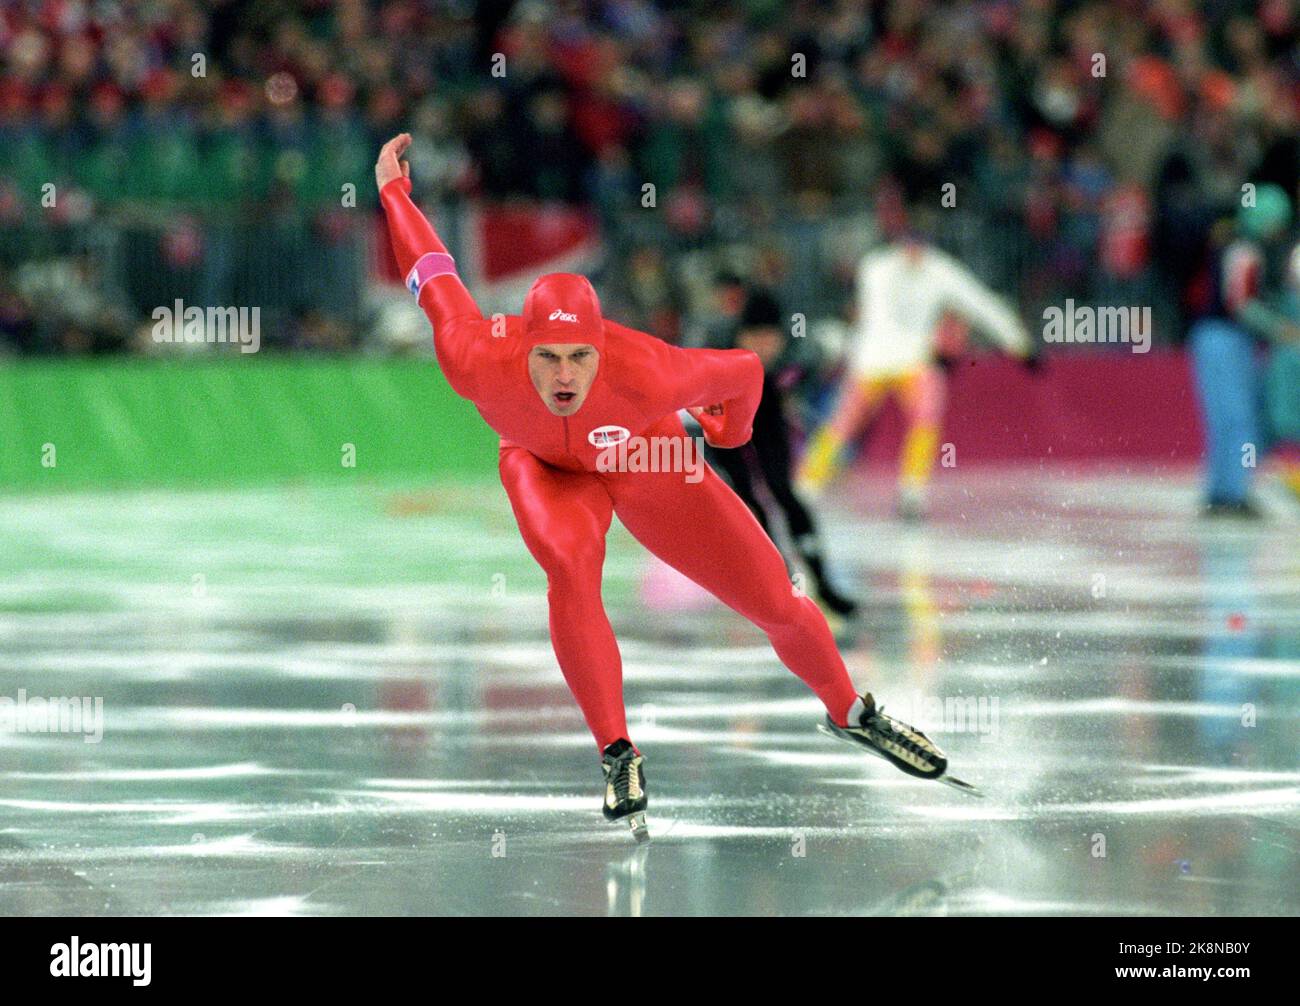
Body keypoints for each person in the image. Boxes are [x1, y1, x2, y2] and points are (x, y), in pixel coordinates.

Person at [374, 133, 949, 836]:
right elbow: (435, 274)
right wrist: (394, 193)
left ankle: (852, 711)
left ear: (601, 348)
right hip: (542, 464)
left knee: (773, 598)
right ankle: (618, 752)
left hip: (645, 456)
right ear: (521, 345)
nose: (563, 377)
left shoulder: (644, 369)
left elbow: (744, 373)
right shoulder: (474, 356)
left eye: (579, 358)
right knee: (570, 566)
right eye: (548, 358)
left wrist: (730, 438)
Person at [797, 232, 1034, 519]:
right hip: (877, 360)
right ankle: (805, 487)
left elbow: (978, 302)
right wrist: (1018, 342)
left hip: (899, 361)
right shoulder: (887, 267)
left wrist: (1017, 341)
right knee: (844, 424)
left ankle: (911, 493)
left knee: (923, 421)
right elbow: (975, 302)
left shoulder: (916, 268)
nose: (913, 252)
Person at [695, 285, 859, 616]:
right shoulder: (716, 344)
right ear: (739, 335)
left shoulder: (800, 352)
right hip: (722, 418)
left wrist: (793, 395)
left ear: (782, 337)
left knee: (783, 491)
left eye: (769, 340)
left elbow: (822, 370)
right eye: (753, 339)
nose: (762, 349)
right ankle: (778, 578)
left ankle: (822, 581)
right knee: (746, 500)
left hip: (768, 411)